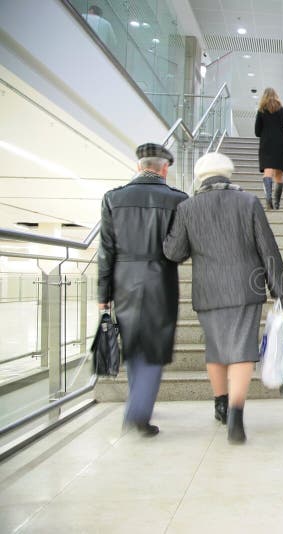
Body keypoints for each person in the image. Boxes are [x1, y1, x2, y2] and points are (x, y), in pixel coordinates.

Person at [163, 152, 283, 444]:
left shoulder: (187, 207)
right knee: (243, 350)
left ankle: (220, 403)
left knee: (216, 350)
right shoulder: (248, 202)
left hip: (208, 291)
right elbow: (267, 247)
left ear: (200, 177)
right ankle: (236, 415)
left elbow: (174, 252)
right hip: (246, 288)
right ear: (228, 174)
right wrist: (278, 288)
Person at [97, 143, 188, 437]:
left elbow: (105, 250)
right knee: (153, 347)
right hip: (160, 280)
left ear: (139, 166)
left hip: (123, 280)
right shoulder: (179, 200)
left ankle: (139, 402)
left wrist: (103, 294)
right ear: (164, 168)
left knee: (134, 342)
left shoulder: (113, 198)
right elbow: (179, 251)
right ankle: (138, 412)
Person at [255, 88, 283, 210]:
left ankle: (268, 198)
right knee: (278, 174)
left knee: (268, 171)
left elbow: (257, 132)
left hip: (266, 144)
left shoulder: (261, 112)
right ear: (276, 96)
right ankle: (277, 203)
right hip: (281, 144)